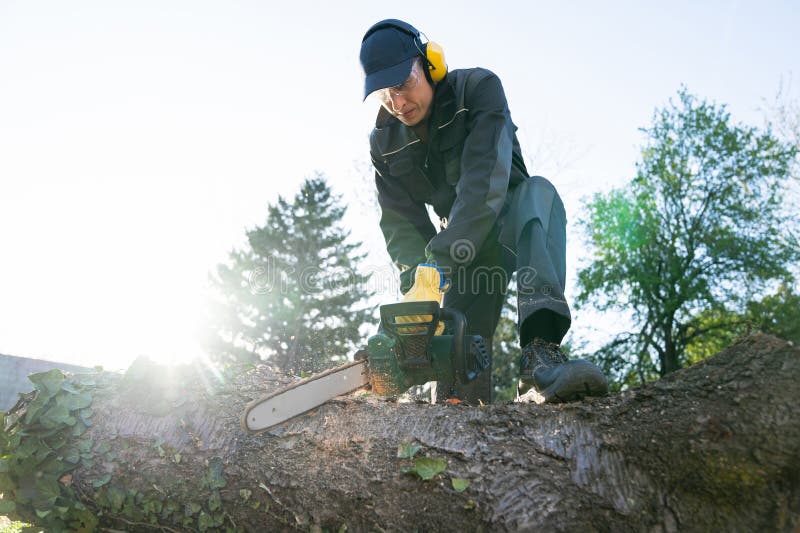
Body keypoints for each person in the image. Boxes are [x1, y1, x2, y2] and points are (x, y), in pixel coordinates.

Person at [360, 19, 608, 404]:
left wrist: (441, 261)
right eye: (384, 94)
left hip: (510, 220)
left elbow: (484, 181)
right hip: (462, 251)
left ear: (430, 64)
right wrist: (417, 286)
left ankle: (540, 354)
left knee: (538, 193)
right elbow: (399, 221)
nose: (398, 103)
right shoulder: (384, 141)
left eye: (402, 85)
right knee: (456, 376)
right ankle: (456, 399)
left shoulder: (477, 90)